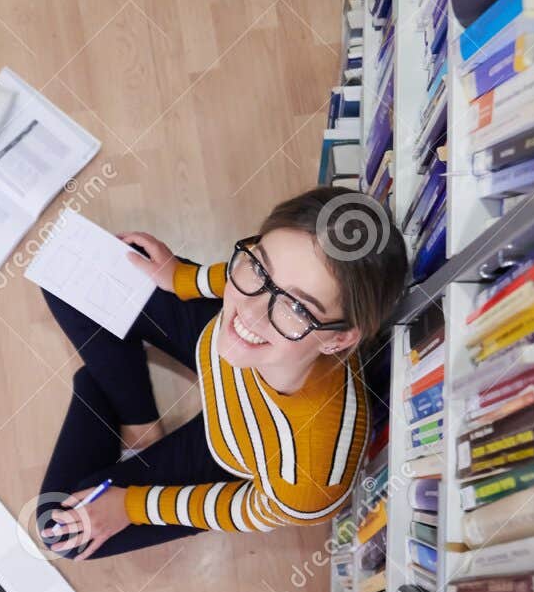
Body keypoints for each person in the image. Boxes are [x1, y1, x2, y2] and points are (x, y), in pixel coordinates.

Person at [35, 187, 409, 559]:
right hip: (212, 340)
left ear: (338, 339)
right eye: (261, 267)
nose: (251, 311)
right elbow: (250, 276)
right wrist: (184, 279)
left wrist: (132, 505)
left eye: (296, 308)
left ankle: (108, 378)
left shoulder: (313, 476)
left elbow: (247, 509)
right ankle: (136, 416)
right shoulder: (247, 296)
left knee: (61, 530)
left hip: (232, 446)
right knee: (67, 262)